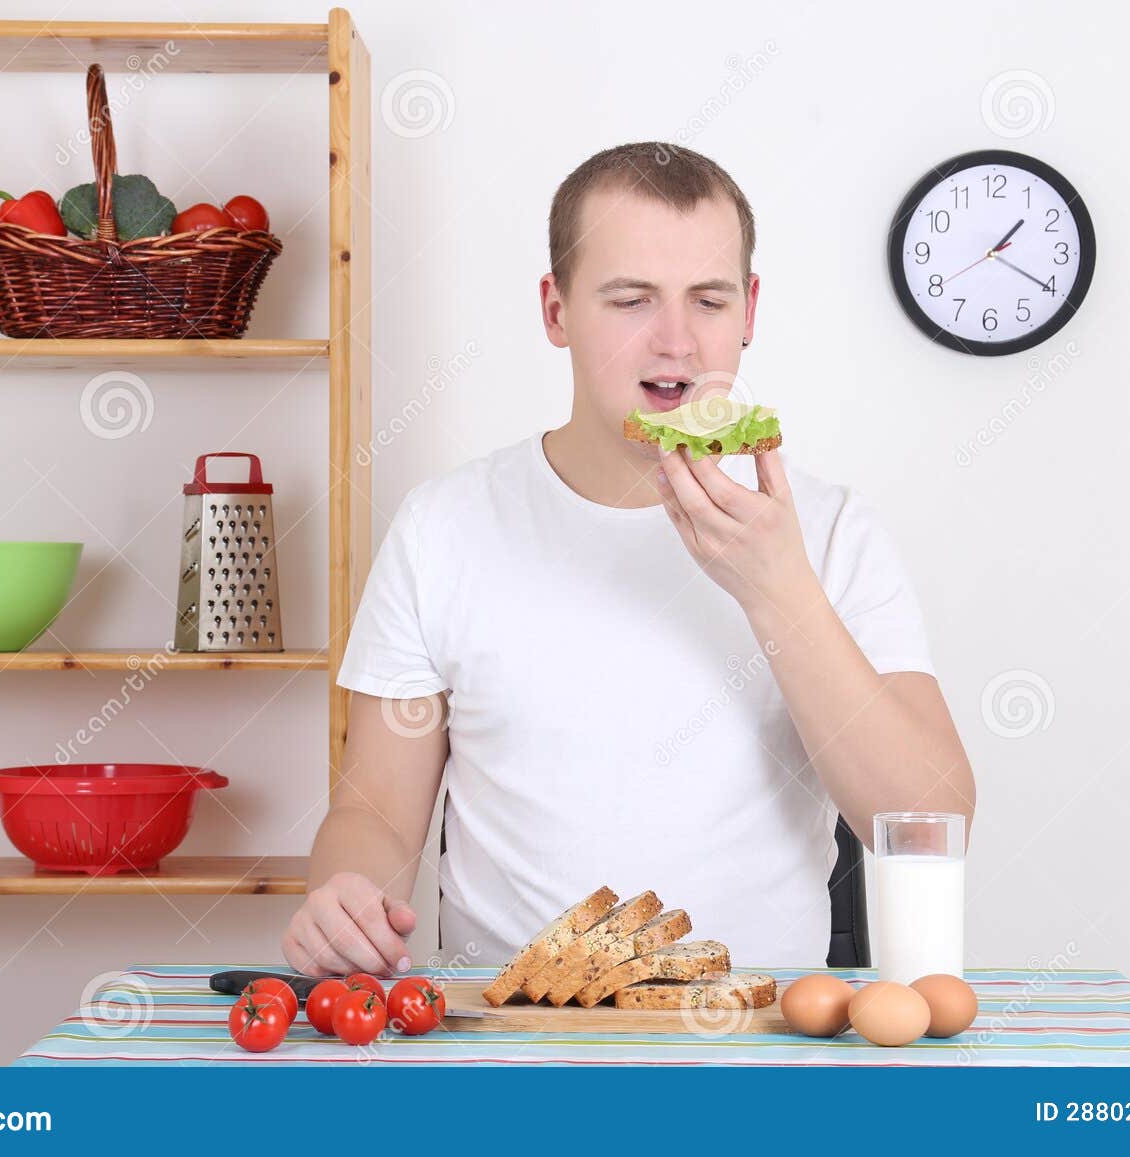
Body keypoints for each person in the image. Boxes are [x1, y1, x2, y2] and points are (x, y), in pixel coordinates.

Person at [282, 142, 975, 978]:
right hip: (513, 1023)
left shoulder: (831, 533)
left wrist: (779, 591)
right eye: (631, 300)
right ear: (556, 310)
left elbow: (931, 819)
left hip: (760, 1026)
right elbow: (377, 813)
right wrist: (347, 902)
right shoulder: (443, 527)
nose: (676, 341)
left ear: (749, 310)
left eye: (708, 299)